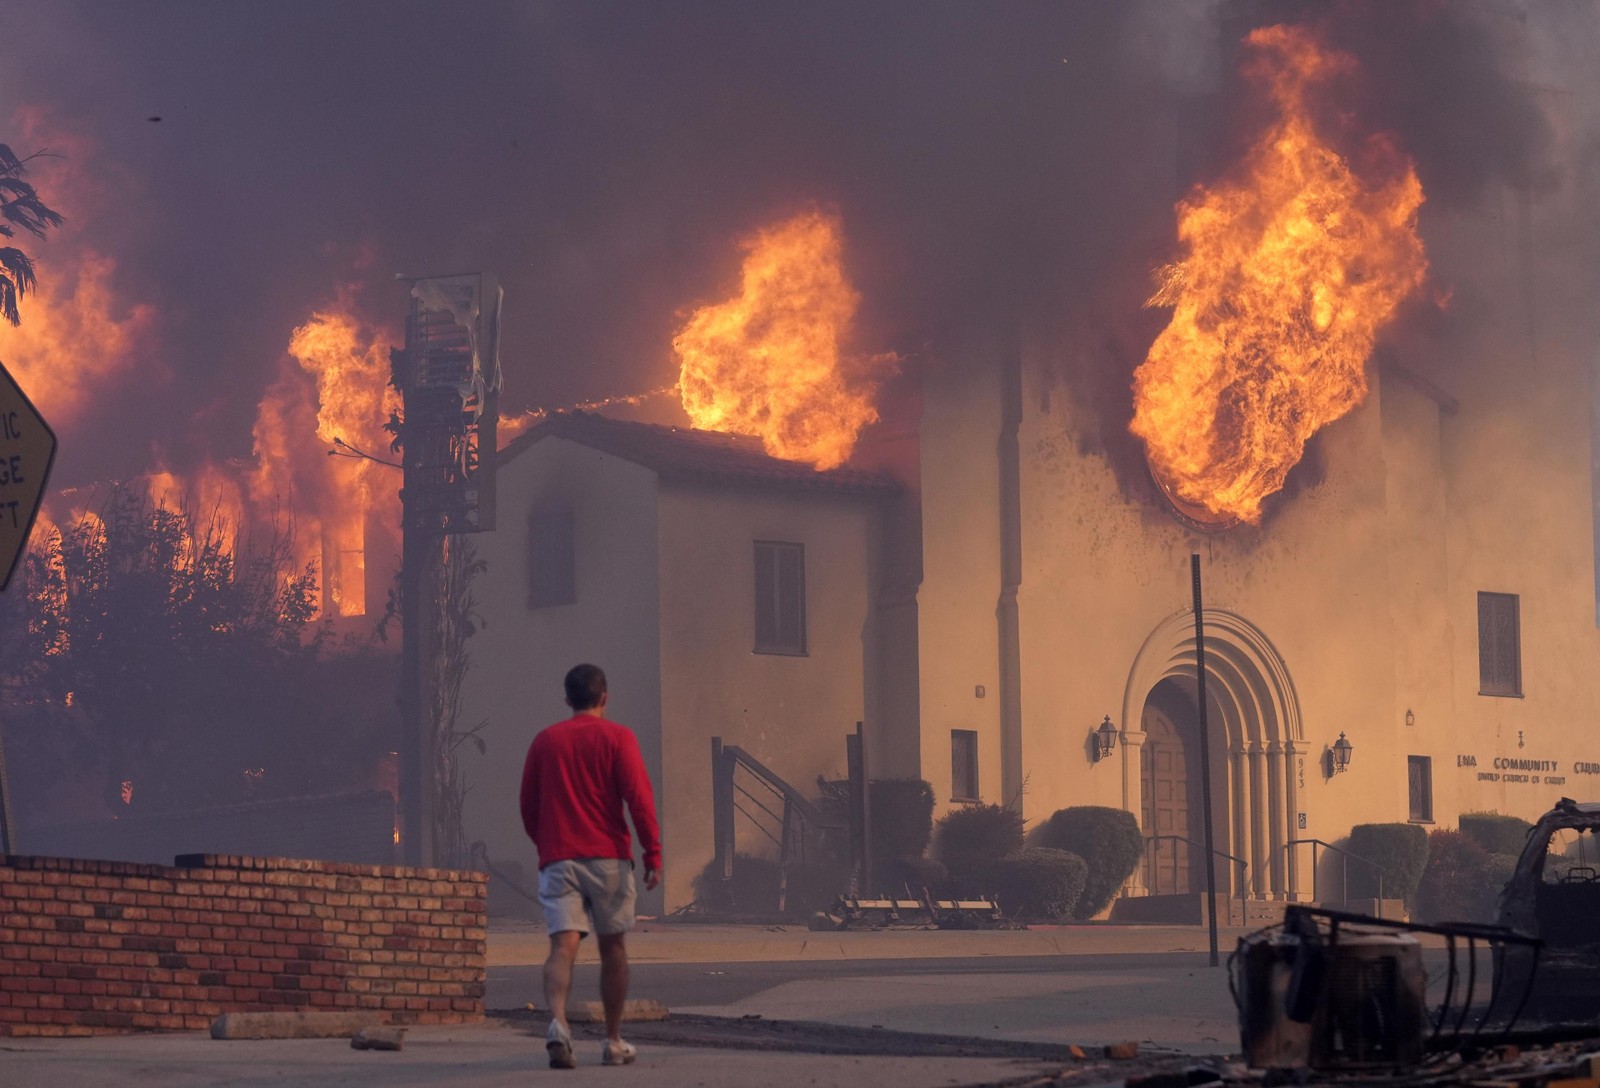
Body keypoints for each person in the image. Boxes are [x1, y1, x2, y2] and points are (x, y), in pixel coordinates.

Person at [519, 663, 662, 1069]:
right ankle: (613, 1041)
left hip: (559, 859)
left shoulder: (545, 741)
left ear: (568, 699)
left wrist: (546, 844)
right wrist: (653, 854)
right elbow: (639, 799)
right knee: (612, 947)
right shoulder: (619, 738)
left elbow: (528, 804)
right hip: (608, 860)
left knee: (562, 946)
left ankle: (558, 1025)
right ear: (605, 698)